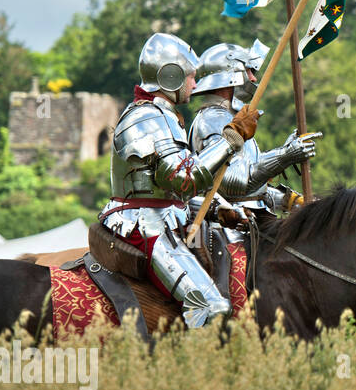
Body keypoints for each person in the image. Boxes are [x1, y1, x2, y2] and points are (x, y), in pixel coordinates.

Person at [99, 33, 259, 326]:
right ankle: (180, 372)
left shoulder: (165, 116)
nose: (195, 85)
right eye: (190, 77)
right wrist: (232, 138)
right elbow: (184, 180)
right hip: (144, 225)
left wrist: (215, 208)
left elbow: (176, 194)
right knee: (211, 307)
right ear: (170, 76)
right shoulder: (144, 118)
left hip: (164, 217)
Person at [186, 40, 319, 237]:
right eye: (248, 71)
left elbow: (253, 191)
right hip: (227, 230)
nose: (253, 79)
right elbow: (235, 185)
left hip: (254, 220)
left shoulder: (232, 118)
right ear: (229, 76)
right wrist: (285, 156)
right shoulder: (213, 119)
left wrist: (288, 201)